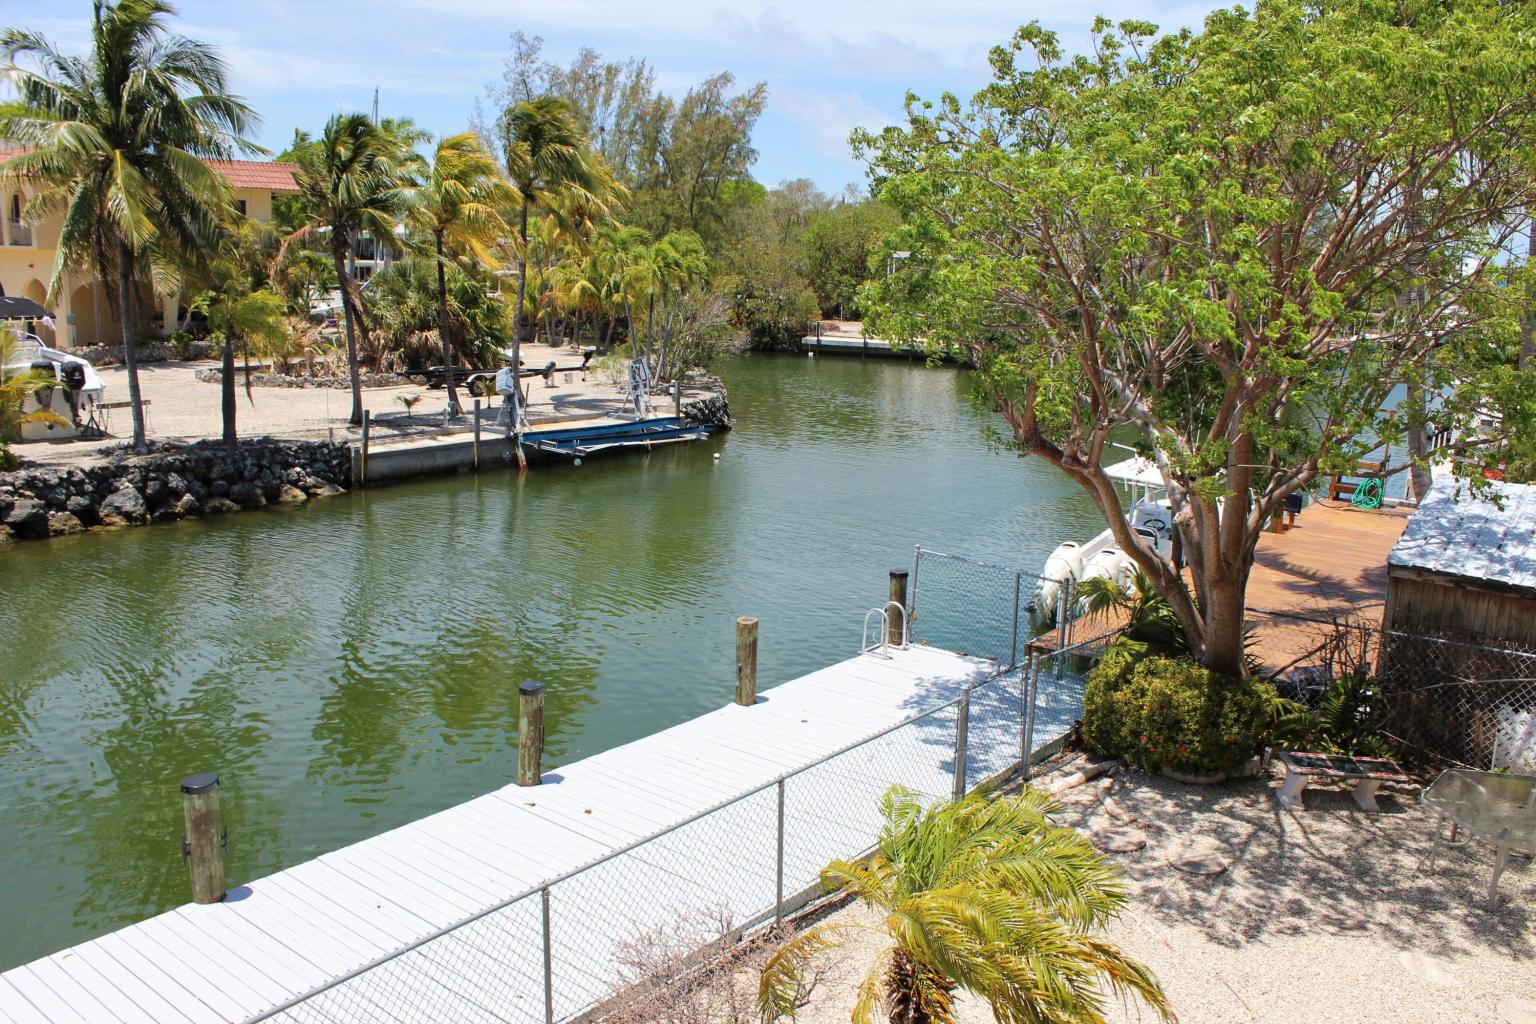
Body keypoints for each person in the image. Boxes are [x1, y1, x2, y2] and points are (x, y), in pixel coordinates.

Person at [494, 355, 522, 436]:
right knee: (513, 409)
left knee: (512, 409)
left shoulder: (504, 373)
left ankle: (514, 427)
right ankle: (515, 427)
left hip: (507, 392)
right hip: (509, 392)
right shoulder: (507, 373)